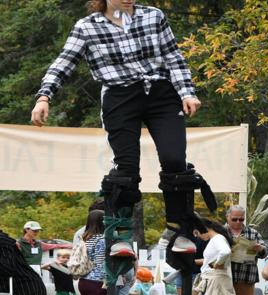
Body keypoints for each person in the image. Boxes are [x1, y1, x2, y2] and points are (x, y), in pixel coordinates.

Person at [34, 0, 213, 276]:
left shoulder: (153, 16)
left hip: (161, 93)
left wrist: (187, 92)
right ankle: (121, 234)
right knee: (126, 166)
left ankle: (179, 229)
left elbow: (173, 56)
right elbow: (64, 63)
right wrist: (44, 96)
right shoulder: (87, 27)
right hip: (119, 96)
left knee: (174, 159)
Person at [225, 205, 268, 295]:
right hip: (225, 274)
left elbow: (265, 251)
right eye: (235, 219)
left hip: (246, 274)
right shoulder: (220, 232)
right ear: (227, 217)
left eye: (241, 219)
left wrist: (260, 249)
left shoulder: (253, 233)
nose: (238, 222)